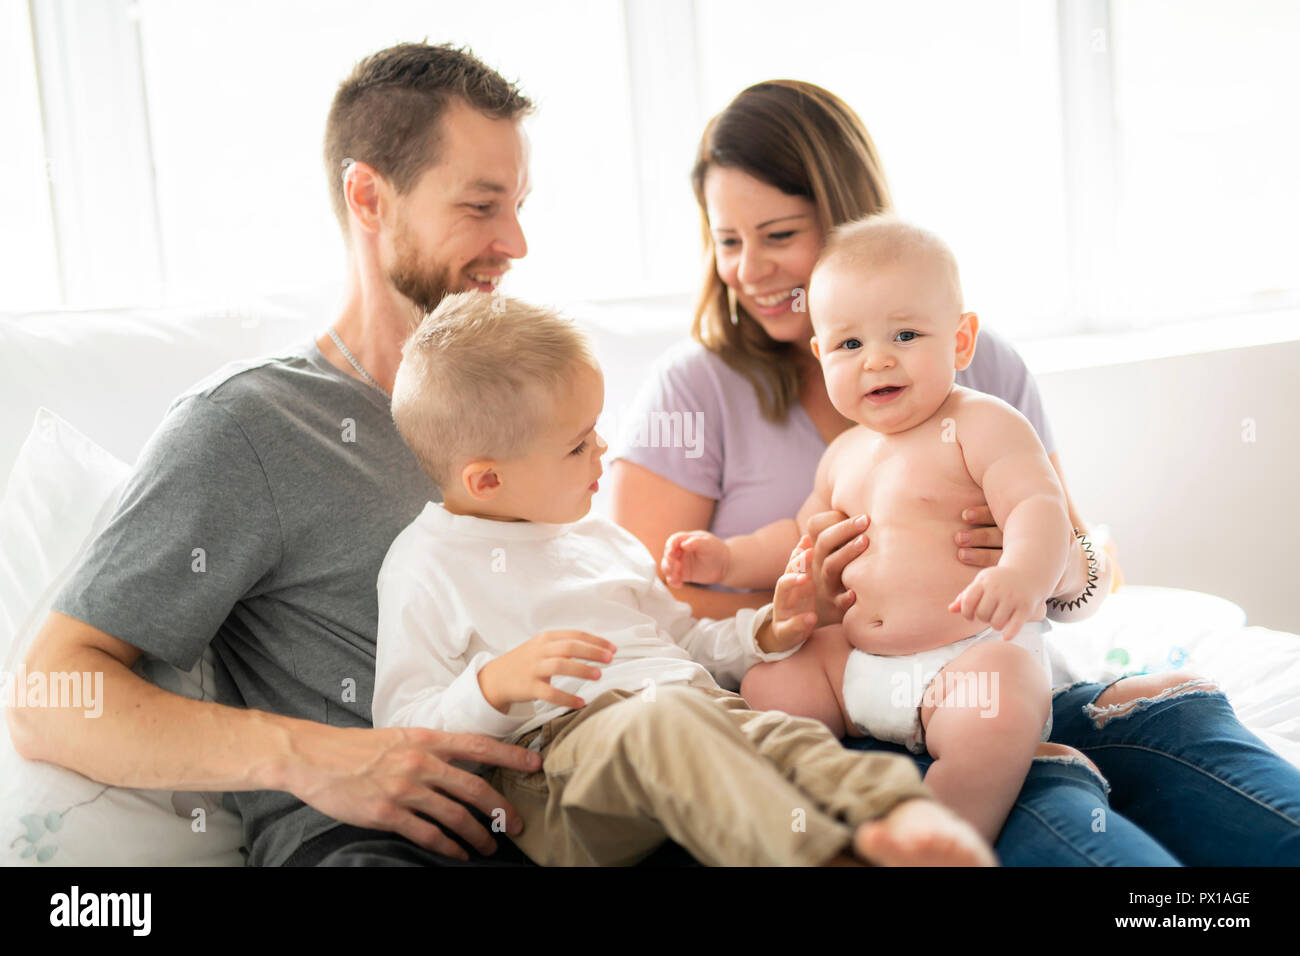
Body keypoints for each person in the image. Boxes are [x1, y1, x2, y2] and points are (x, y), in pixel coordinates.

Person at [609, 80, 1300, 864]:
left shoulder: (977, 373)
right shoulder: (696, 389)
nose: (751, 270)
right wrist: (777, 591)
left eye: (778, 234)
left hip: (987, 674)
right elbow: (645, 602)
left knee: (1181, 723)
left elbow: (1080, 567)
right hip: (852, 704)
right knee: (1072, 825)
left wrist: (1042, 566)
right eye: (727, 241)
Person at [8, 43, 553, 868]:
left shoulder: (530, 406)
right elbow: (49, 696)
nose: (514, 241)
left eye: (517, 204)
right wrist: (308, 756)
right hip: (388, 847)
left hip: (578, 802)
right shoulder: (251, 425)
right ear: (369, 197)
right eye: (481, 207)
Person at [372, 290, 995, 866]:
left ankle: (909, 819)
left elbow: (688, 642)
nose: (604, 450)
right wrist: (491, 687)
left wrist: (769, 629)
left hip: (696, 710)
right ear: (487, 479)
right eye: (576, 445)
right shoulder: (425, 565)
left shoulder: (599, 538)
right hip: (559, 767)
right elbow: (402, 736)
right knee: (665, 721)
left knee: (786, 736)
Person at [664, 215, 1074, 842]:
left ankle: (942, 832)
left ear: (961, 342)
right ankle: (804, 816)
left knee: (1001, 697)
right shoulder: (845, 454)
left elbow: (1037, 507)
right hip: (854, 665)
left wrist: (1021, 571)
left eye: (905, 334)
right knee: (772, 681)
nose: (876, 359)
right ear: (822, 354)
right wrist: (724, 561)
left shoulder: (981, 424)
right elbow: (796, 538)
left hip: (960, 660)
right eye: (849, 345)